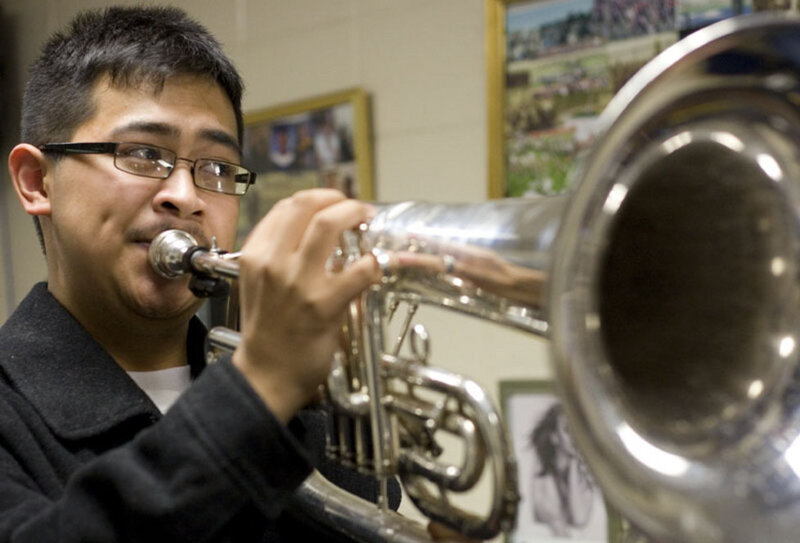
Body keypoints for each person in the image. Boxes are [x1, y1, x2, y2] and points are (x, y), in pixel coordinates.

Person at [0, 6, 400, 541]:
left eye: (215, 168)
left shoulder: (302, 403)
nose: (186, 198)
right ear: (37, 182)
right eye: (142, 154)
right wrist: (262, 386)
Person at [529, 402, 596, 538]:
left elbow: (580, 519)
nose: (575, 435)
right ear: (554, 437)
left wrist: (574, 461)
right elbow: (550, 515)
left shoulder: (584, 468)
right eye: (567, 429)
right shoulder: (541, 467)